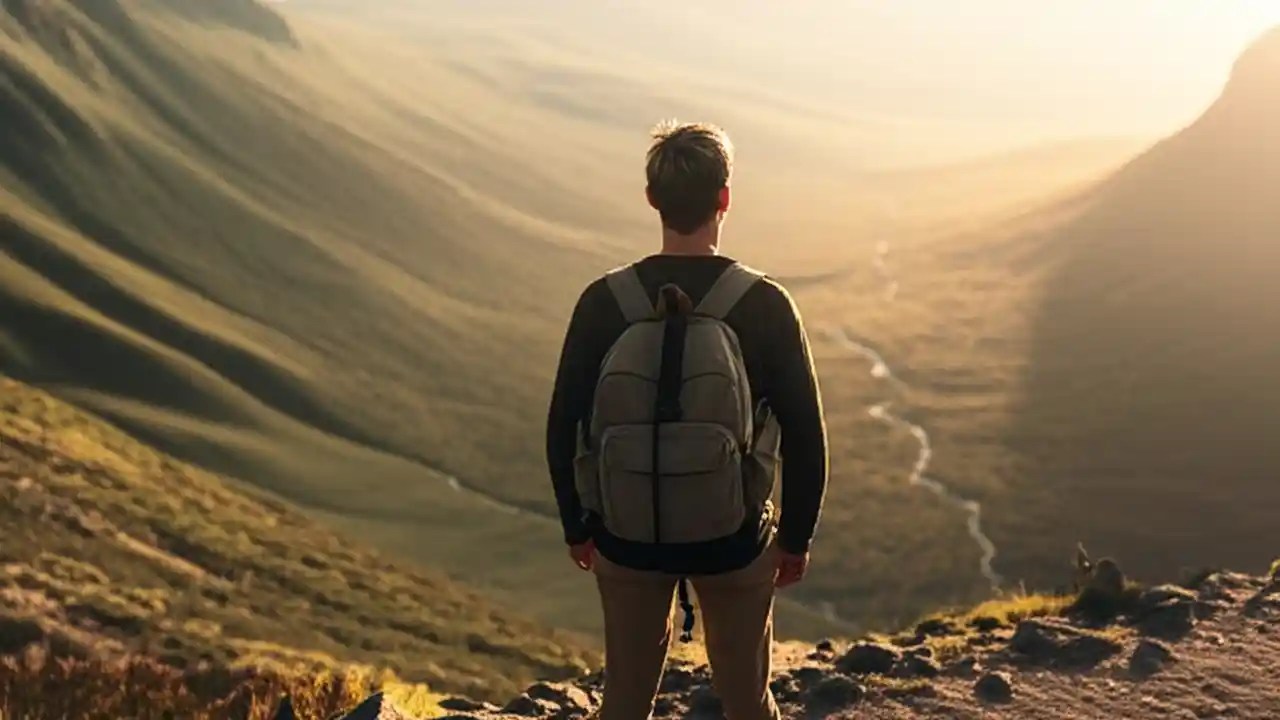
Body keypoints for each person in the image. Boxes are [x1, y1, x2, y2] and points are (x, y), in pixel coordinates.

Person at [546, 121, 828, 720]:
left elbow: (563, 422)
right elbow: (806, 432)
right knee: (747, 701)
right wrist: (795, 539)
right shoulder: (763, 304)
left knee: (622, 701)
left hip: (625, 538)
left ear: (652, 199)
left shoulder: (605, 301)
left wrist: (578, 525)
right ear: (724, 198)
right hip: (734, 541)